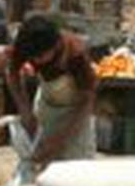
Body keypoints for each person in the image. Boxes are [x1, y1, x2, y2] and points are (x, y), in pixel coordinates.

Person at [7, 16, 97, 168]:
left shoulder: (76, 54)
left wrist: (58, 141)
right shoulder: (25, 45)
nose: (36, 61)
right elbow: (12, 73)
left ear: (56, 46)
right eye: (32, 58)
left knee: (74, 167)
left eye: (40, 56)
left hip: (76, 114)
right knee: (38, 162)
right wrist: (25, 110)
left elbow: (86, 102)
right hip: (47, 105)